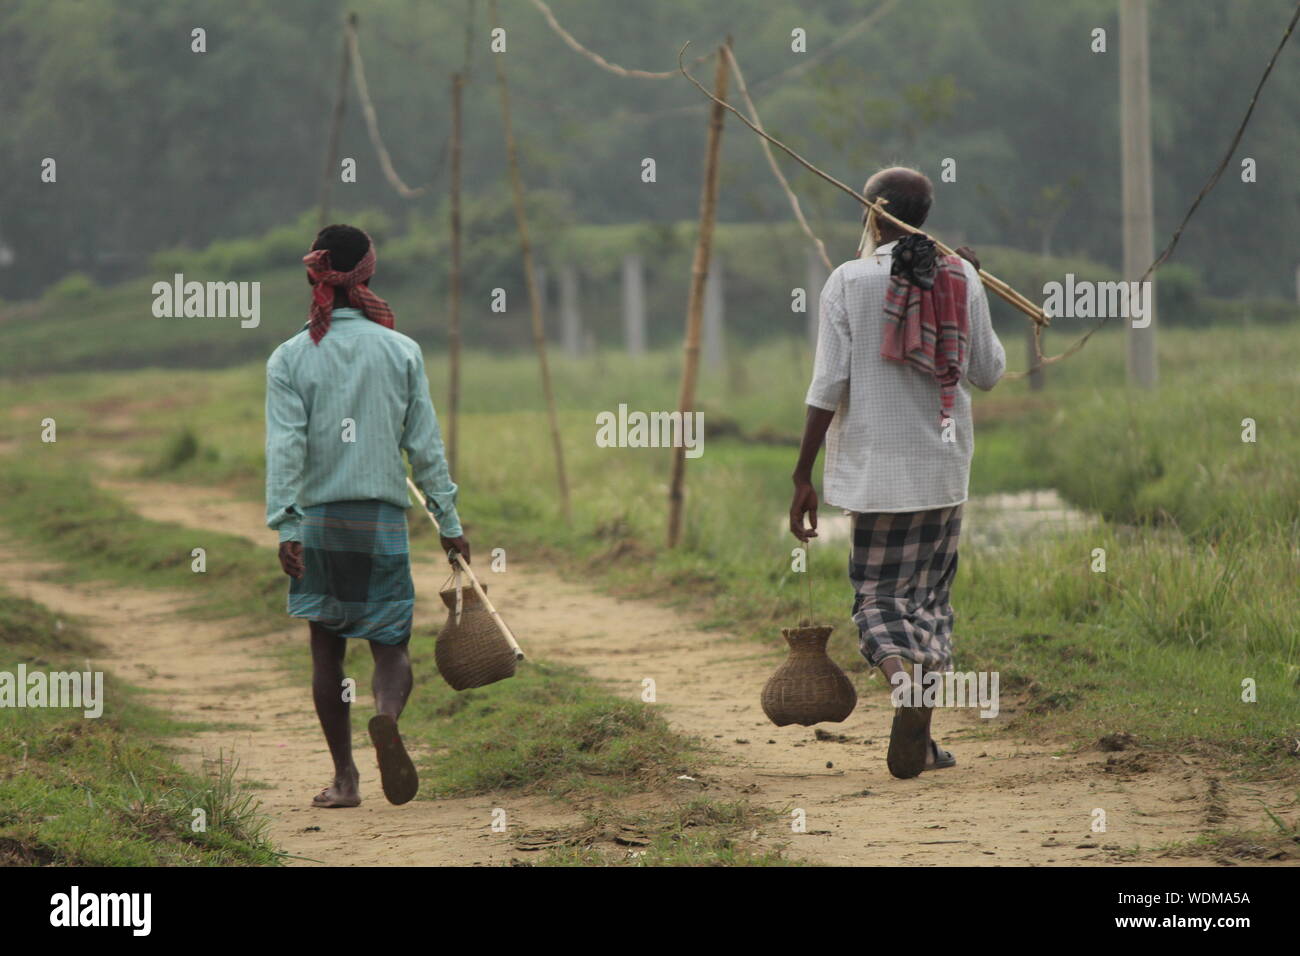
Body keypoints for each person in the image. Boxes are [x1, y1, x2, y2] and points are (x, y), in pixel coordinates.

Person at [789, 167, 1005, 780]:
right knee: (930, 601)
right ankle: (924, 738)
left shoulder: (847, 280)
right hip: (942, 469)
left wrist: (803, 473)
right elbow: (987, 372)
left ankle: (901, 683)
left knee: (880, 598)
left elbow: (827, 385)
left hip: (875, 474)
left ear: (872, 212)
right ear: (923, 214)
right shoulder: (960, 277)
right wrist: (974, 284)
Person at [265, 223, 469, 807]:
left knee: (326, 649)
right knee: (390, 643)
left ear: (315, 277)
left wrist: (287, 524)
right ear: (369, 275)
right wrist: (449, 521)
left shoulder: (290, 357)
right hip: (380, 519)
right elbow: (425, 447)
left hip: (321, 521)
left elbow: (286, 447)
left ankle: (345, 778)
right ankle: (387, 716)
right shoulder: (402, 351)